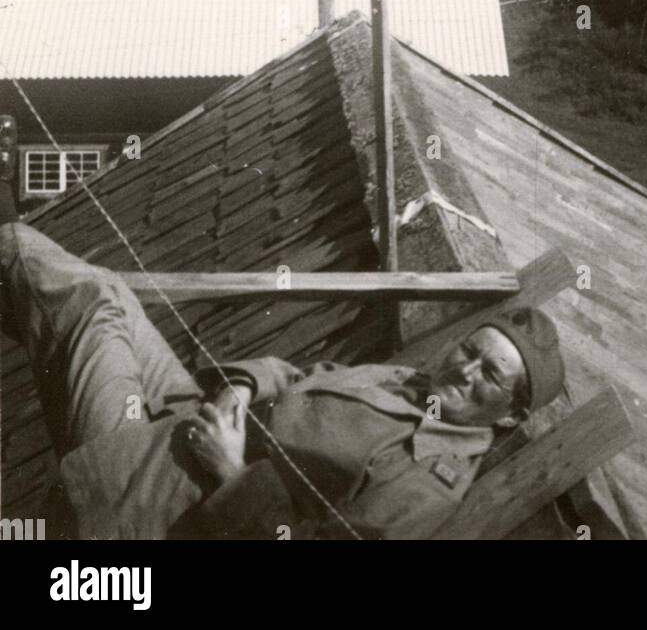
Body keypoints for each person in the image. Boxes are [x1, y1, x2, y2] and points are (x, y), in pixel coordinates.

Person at [0, 215, 566, 540]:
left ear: (510, 414)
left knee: (66, 283)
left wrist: (229, 468)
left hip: (171, 493)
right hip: (198, 409)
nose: (463, 371)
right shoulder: (415, 385)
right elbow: (304, 372)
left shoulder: (428, 485)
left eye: (488, 376)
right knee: (112, 291)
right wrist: (243, 388)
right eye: (469, 350)